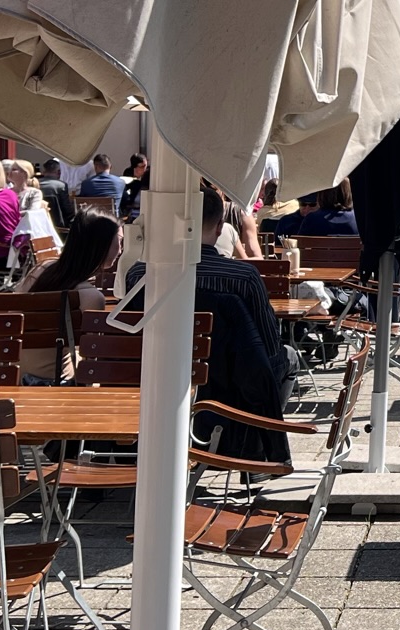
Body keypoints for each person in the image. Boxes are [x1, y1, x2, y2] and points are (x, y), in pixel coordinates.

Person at [124, 186, 294, 465]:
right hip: (229, 389)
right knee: (286, 357)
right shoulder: (243, 276)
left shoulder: (140, 274)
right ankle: (255, 447)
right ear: (219, 228)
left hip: (155, 381)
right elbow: (267, 345)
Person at [15, 211, 120, 380]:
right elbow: (91, 354)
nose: (121, 249)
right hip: (55, 381)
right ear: (102, 246)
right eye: (119, 241)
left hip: (17, 374)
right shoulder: (90, 297)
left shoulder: (41, 270)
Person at [274, 184, 355, 238]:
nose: (307, 209)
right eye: (303, 204)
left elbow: (301, 246)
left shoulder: (312, 219)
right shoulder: (357, 219)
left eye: (312, 205)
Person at [38, 159, 77, 232]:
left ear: (44, 171)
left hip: (39, 223)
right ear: (59, 172)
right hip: (58, 224)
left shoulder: (36, 184)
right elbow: (67, 209)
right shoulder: (61, 186)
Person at [119, 156, 147, 220]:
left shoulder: (146, 176)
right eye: (142, 166)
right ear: (135, 168)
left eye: (145, 166)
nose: (145, 169)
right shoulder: (128, 174)